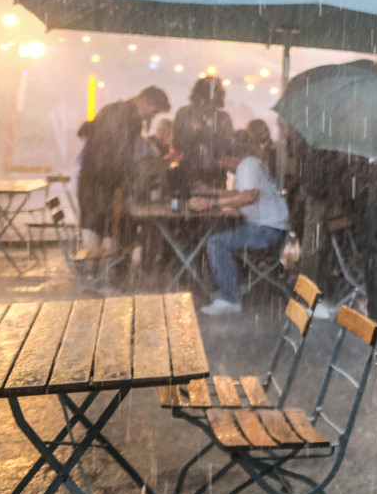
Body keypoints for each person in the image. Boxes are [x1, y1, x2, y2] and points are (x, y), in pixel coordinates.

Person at [190, 131, 290, 315]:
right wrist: (211, 192)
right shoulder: (248, 165)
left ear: (226, 157)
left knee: (216, 242)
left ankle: (230, 298)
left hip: (267, 229)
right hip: (269, 226)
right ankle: (234, 286)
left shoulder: (248, 167)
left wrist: (212, 203)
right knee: (222, 235)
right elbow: (238, 195)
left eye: (219, 161)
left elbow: (249, 196)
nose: (220, 166)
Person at [76, 85, 171, 253]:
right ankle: (107, 274)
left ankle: (92, 276)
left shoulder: (110, 110)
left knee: (95, 232)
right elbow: (121, 155)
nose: (152, 115)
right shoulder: (130, 117)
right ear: (148, 104)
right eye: (155, 111)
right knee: (112, 237)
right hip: (109, 183)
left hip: (90, 180)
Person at [173, 76, 234, 192]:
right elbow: (177, 143)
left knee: (213, 204)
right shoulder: (185, 113)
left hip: (215, 173)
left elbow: (228, 146)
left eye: (218, 92)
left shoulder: (222, 118)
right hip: (189, 171)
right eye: (215, 91)